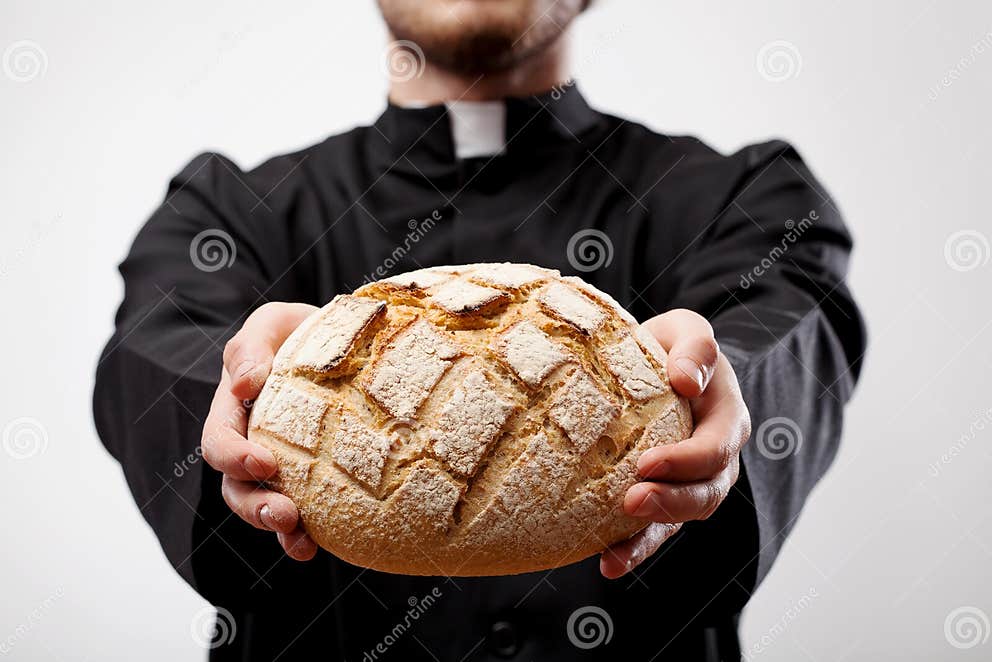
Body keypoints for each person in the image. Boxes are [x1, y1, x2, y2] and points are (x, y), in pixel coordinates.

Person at [94, 1, 866, 659]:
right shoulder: (229, 214)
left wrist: (712, 390)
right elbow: (158, 362)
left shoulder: (747, 199)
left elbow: (785, 336)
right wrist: (245, 397)